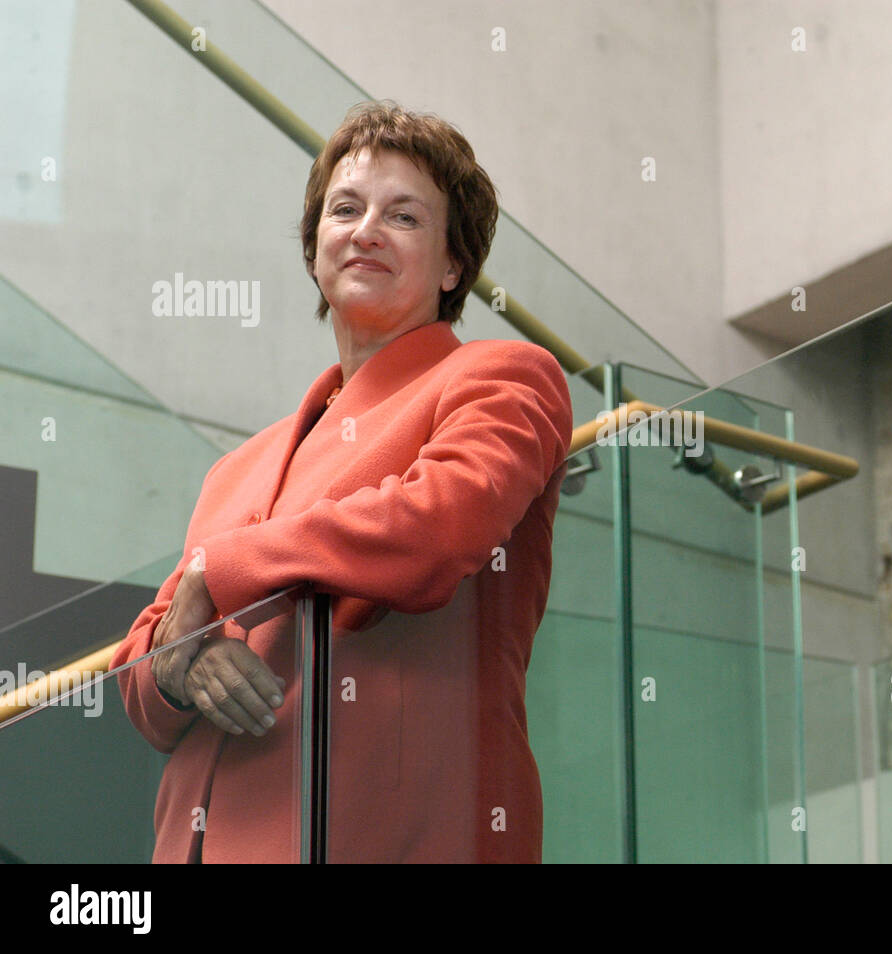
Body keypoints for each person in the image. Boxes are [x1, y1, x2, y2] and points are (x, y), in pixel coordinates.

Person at [111, 100, 573, 863]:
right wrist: (183, 665)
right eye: (346, 209)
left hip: (397, 836)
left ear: (454, 264)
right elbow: (143, 664)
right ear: (315, 246)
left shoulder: (501, 376)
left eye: (405, 217)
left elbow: (438, 527)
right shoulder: (239, 467)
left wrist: (220, 572)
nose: (365, 231)